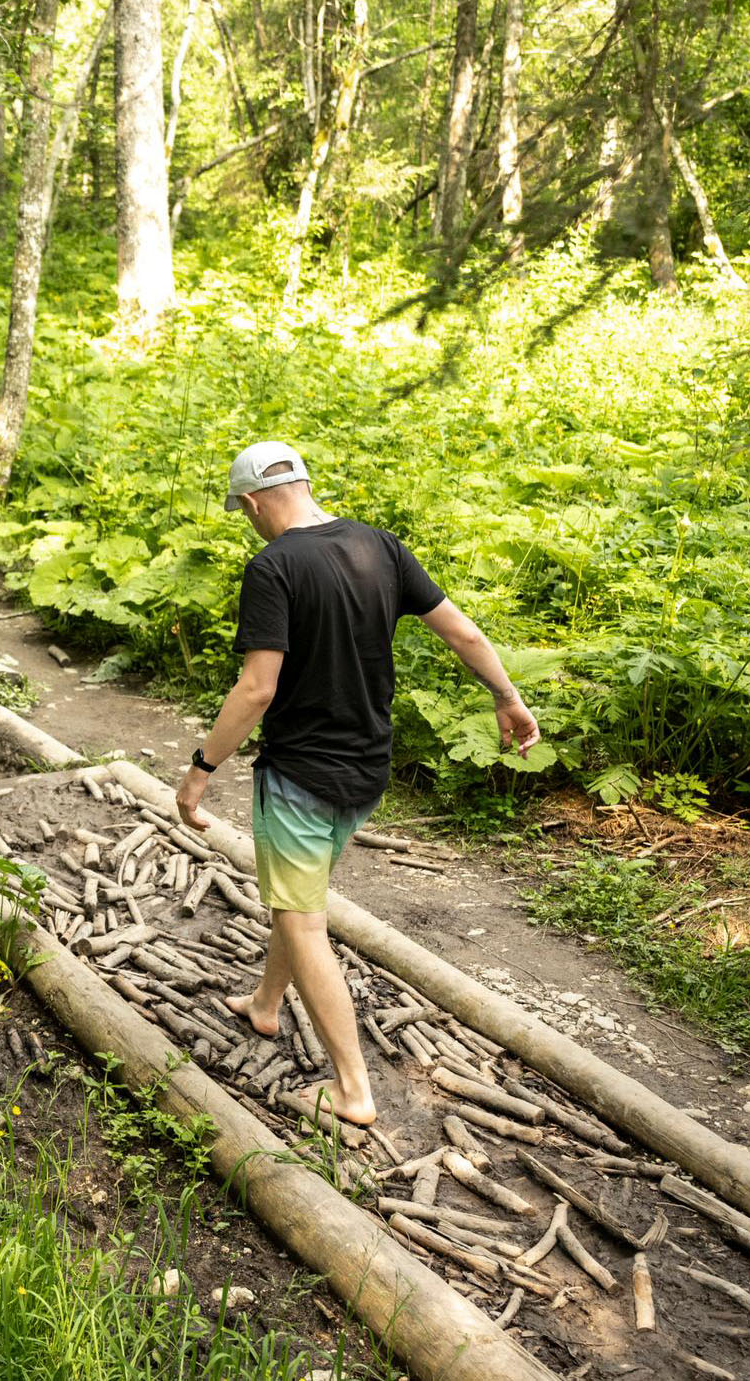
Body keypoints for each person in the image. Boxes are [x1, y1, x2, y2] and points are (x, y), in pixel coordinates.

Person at [174, 440, 539, 1126]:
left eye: (244, 512)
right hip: (367, 769)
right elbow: (459, 631)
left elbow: (257, 688)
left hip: (301, 775)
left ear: (252, 502)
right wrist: (506, 695)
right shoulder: (380, 546)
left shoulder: (273, 567)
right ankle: (265, 1003)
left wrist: (199, 770)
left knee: (302, 919)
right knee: (300, 898)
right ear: (307, 483)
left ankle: (352, 1090)